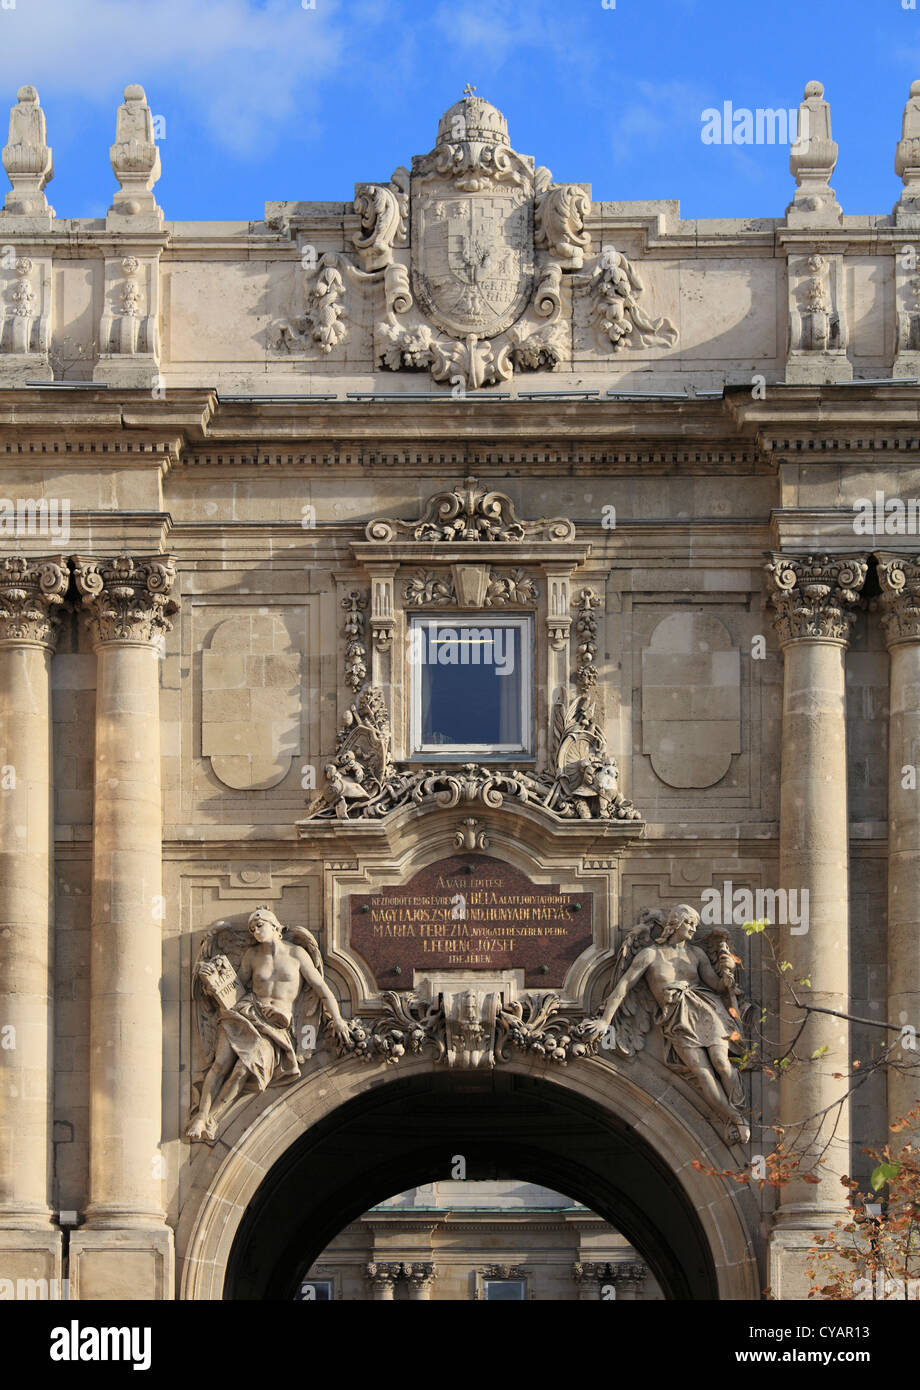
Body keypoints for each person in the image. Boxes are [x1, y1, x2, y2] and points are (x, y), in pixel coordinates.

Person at [186, 907, 351, 1143]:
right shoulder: (252, 956)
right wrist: (211, 980)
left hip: (275, 1026)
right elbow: (234, 987)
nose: (255, 932)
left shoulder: (297, 954)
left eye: (259, 925)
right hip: (245, 1012)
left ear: (275, 926)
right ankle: (201, 1116)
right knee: (220, 1064)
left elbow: (322, 989)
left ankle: (212, 1117)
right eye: (252, 929)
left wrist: (338, 1019)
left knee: (245, 1068)